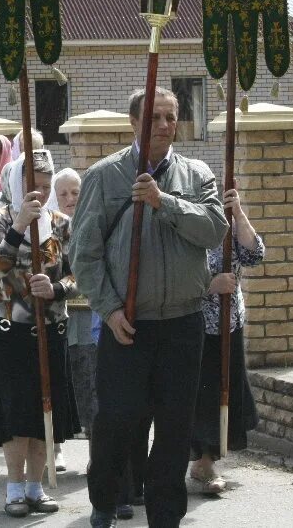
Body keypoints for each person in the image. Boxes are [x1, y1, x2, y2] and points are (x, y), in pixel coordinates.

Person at [71, 87, 228, 528]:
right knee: (117, 421)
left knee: (175, 428)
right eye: (154, 117)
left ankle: (165, 517)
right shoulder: (105, 176)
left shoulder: (196, 174)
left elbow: (214, 229)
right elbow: (84, 254)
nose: (163, 125)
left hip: (182, 323)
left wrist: (164, 202)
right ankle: (104, 500)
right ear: (134, 122)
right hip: (128, 325)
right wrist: (110, 309)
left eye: (170, 117)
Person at [0, 150, 78, 517]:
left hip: (50, 325)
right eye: (31, 187)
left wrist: (55, 289)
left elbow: (75, 274)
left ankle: (37, 486)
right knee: (16, 408)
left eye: (44, 187)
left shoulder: (60, 224)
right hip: (9, 328)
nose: (38, 194)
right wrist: (19, 223)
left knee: (44, 407)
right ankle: (13, 488)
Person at [190, 187, 263, 495]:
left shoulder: (225, 225)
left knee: (227, 391)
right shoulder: (186, 227)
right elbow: (173, 280)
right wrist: (210, 285)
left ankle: (208, 460)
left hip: (228, 323)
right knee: (200, 397)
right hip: (192, 326)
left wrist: (238, 215)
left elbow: (256, 253)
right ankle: (202, 462)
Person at [44, 168, 87, 470]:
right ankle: (55, 447)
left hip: (88, 316)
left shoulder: (89, 221)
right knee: (57, 380)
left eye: (75, 192)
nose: (70, 198)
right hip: (57, 314)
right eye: (63, 193)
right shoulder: (49, 227)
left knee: (87, 384)